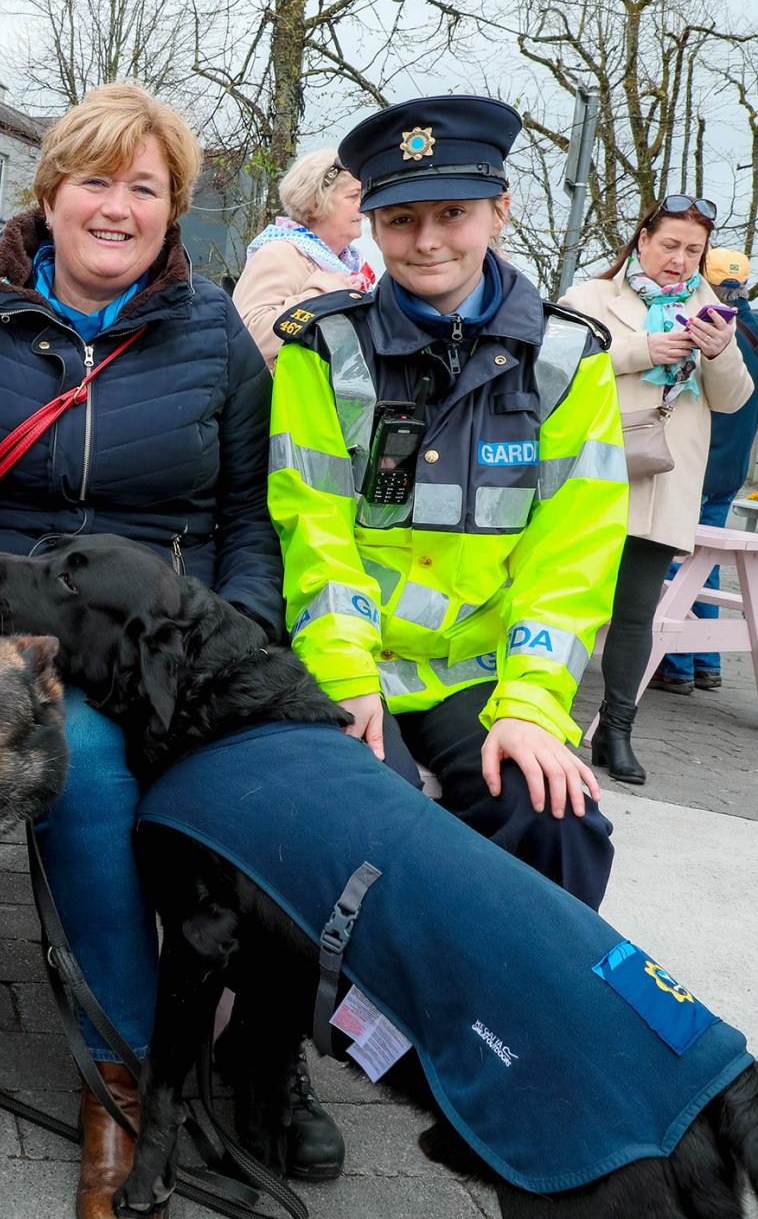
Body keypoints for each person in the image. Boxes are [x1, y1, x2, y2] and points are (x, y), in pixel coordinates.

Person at [0, 83, 308, 1216]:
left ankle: (120, 1075)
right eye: (94, 181)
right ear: (51, 194)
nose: (116, 207)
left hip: (150, 648)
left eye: (143, 188)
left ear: (172, 209)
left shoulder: (216, 336)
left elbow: (253, 516)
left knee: (96, 775)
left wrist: (237, 638)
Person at [272, 95, 625, 906]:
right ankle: (377, 995)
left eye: (453, 213)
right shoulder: (321, 350)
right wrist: (343, 674)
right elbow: (314, 530)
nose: (427, 240)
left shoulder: (569, 360)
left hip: (483, 677)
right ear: (371, 224)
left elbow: (571, 557)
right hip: (353, 662)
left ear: (501, 210)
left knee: (556, 817)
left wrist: (532, 706)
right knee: (366, 815)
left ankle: (524, 989)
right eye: (401, 219)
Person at [561, 197, 752, 783]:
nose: (680, 260)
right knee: (564, 602)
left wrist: (720, 351)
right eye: (669, 245)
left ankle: (616, 730)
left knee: (635, 614)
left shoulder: (711, 311)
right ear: (642, 239)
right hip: (594, 473)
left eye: (693, 250)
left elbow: (734, 400)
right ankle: (542, 720)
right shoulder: (591, 297)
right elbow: (553, 367)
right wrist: (641, 351)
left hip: (666, 480)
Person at [655, 248, 758, 692]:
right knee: (702, 565)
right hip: (732, 464)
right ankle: (706, 662)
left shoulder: (706, 324)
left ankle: (676, 665)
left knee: (673, 560)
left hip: (699, 459)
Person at [232, 147, 375, 368]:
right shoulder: (279, 253)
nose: (363, 205)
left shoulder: (352, 265)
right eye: (353, 196)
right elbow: (248, 335)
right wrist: (322, 295)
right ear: (316, 203)